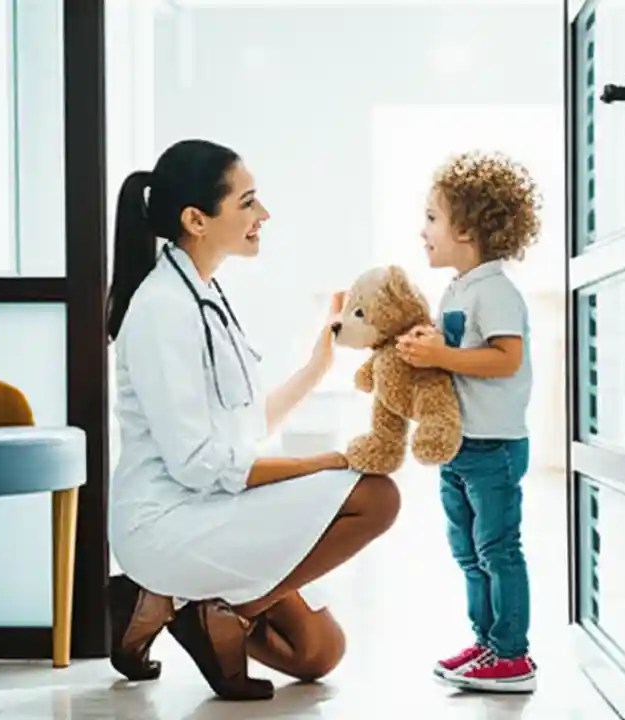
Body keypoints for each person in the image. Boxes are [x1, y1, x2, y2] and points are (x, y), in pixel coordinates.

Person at [105, 139, 401, 702]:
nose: (263, 216)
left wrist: (318, 367)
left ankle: (162, 603)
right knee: (377, 496)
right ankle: (219, 608)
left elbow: (243, 430)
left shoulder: (203, 294)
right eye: (248, 202)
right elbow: (199, 465)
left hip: (212, 507)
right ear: (196, 219)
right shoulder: (162, 310)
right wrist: (327, 464)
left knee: (319, 653)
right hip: (170, 523)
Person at [396, 151, 541, 693]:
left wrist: (441, 357)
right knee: (468, 551)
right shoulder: (459, 289)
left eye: (432, 217)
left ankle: (513, 655)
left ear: (468, 227)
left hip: (494, 446)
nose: (423, 230)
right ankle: (487, 642)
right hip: (461, 444)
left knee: (498, 549)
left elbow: (506, 359)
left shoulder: (495, 291)